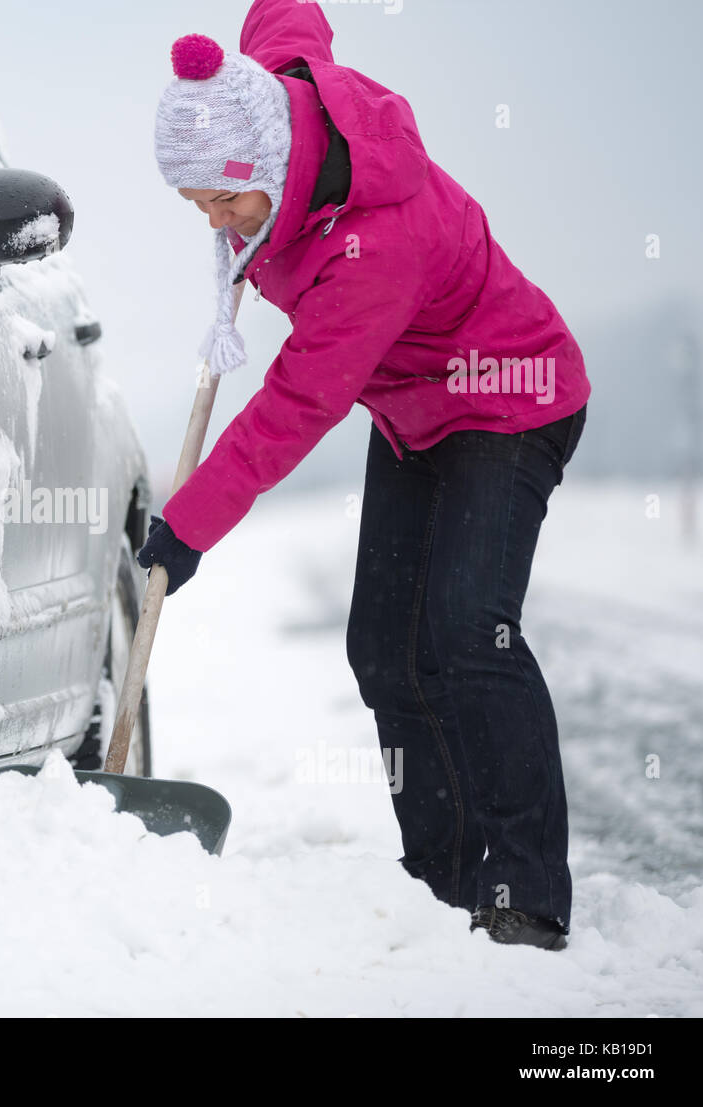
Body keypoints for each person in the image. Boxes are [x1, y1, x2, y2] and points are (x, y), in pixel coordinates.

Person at [137, 0, 590, 951]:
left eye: (225, 201)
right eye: (197, 207)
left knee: (468, 631)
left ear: (269, 169)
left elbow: (295, 407)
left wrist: (188, 524)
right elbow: (288, 23)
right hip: (417, 412)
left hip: (512, 397)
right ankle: (440, 876)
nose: (216, 225)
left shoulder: (373, 250)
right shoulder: (270, 99)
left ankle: (523, 888)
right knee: (383, 647)